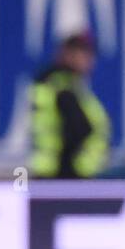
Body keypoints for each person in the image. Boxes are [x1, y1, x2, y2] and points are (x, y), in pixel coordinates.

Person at [29, 31, 109, 179]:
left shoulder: (63, 84)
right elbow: (77, 131)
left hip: (55, 173)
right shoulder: (61, 86)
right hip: (63, 175)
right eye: (83, 53)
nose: (88, 60)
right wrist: (74, 170)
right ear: (67, 55)